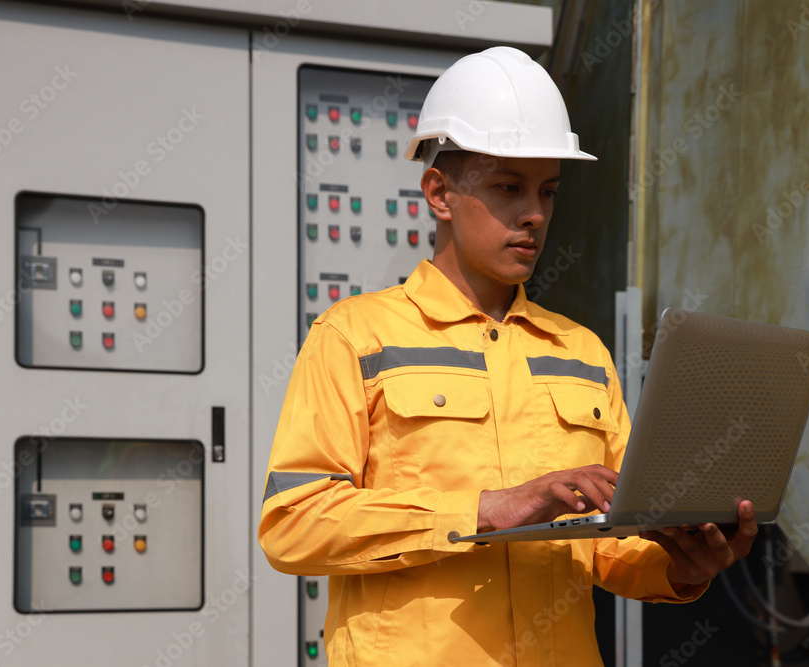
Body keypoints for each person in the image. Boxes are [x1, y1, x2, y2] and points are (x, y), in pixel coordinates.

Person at [259, 46, 757, 666]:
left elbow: (608, 545)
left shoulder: (580, 352)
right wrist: (484, 511)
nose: (534, 215)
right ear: (439, 193)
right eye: (508, 187)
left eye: (548, 191)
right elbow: (293, 524)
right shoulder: (355, 336)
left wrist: (683, 564)